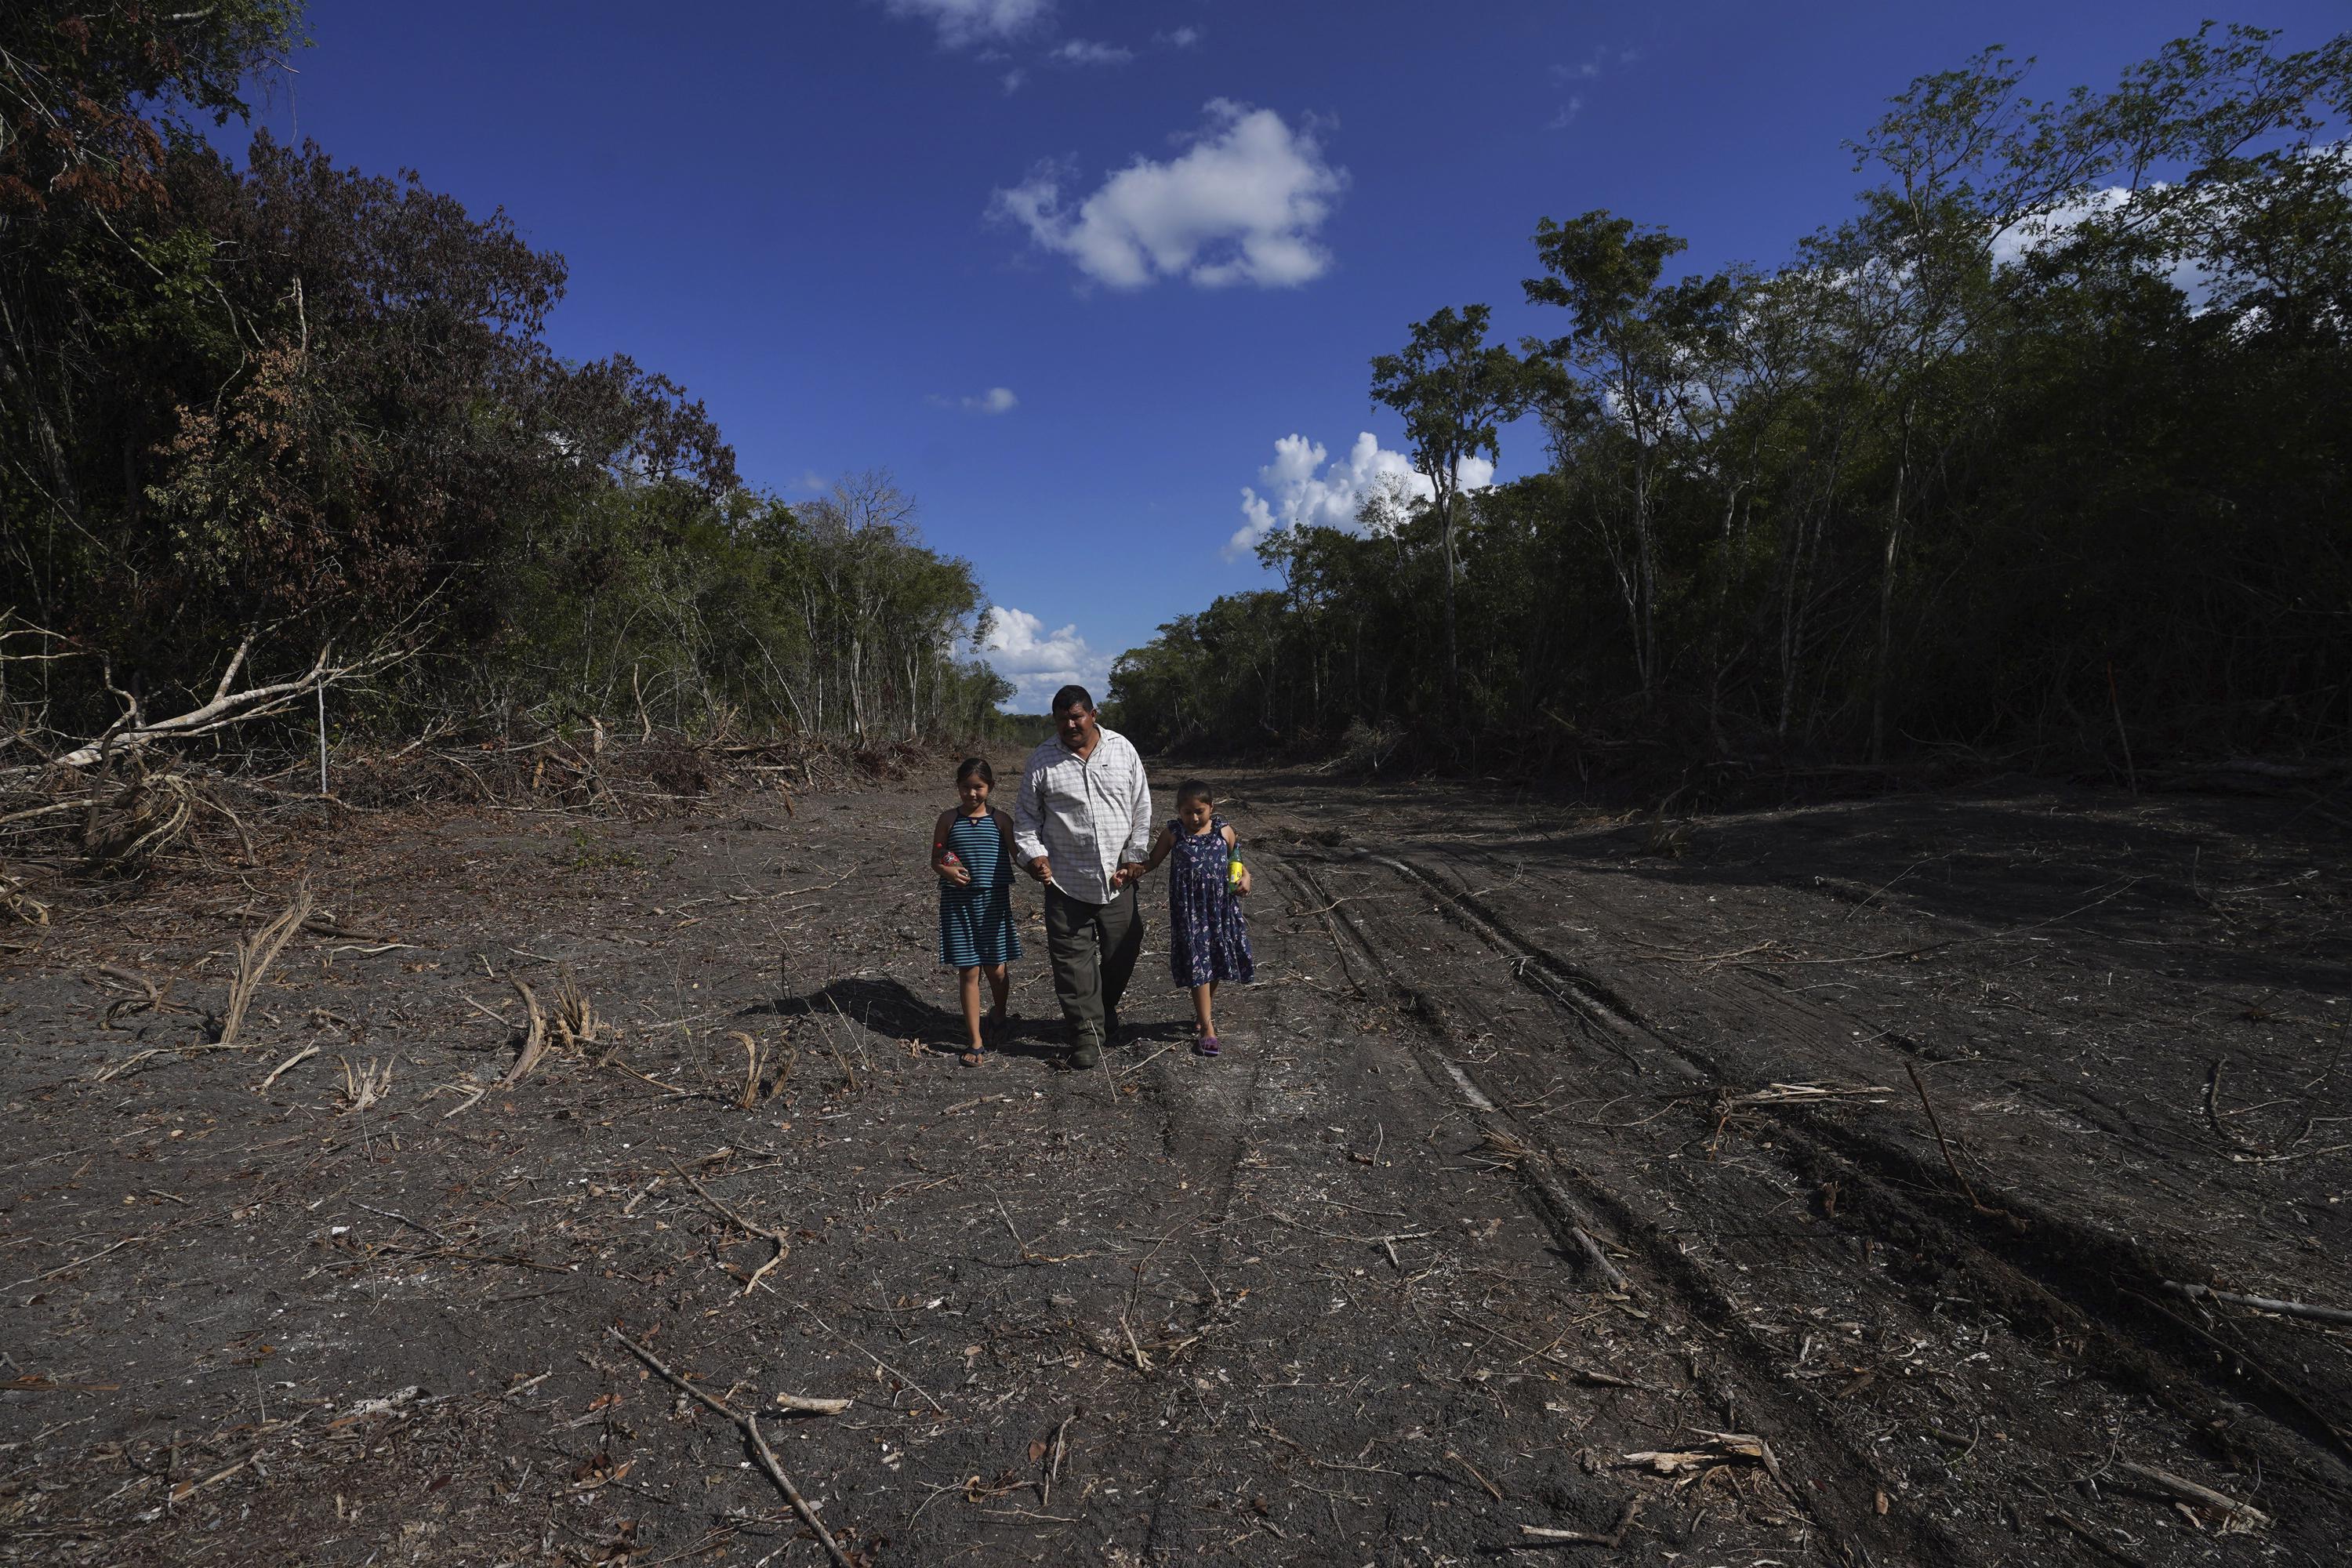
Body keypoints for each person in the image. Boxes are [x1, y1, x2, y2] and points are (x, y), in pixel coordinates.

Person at [1012, 684, 1152, 1069]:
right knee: (1072, 964)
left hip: (1116, 879)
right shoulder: (1042, 760)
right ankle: (1086, 1036)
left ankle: (1103, 1009)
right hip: (1065, 881)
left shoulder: (1122, 749)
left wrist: (1136, 856)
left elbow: (1141, 805)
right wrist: (1035, 857)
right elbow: (1025, 820)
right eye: (1062, 719)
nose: (1070, 725)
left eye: (1077, 716)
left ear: (1093, 714)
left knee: (1122, 950)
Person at [1137, 778, 1254, 1055]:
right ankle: (1207, 1028)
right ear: (1179, 811)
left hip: (1220, 908)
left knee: (1213, 959)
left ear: (1211, 808)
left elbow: (1236, 860)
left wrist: (1247, 877)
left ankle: (1203, 1015)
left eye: (1199, 811)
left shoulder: (1223, 830)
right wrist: (1130, 872)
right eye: (1187, 812)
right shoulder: (1173, 833)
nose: (1194, 817)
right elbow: (1152, 861)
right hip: (1189, 911)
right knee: (1198, 963)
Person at [931, 757, 1020, 1067]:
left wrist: (1042, 865)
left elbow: (1019, 854)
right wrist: (947, 872)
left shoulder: (1001, 820)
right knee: (969, 971)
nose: (972, 793)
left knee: (996, 970)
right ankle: (975, 1041)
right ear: (958, 787)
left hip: (994, 905)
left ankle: (999, 1013)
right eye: (966, 787)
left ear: (990, 787)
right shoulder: (947, 819)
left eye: (978, 787)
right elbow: (938, 858)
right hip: (958, 905)